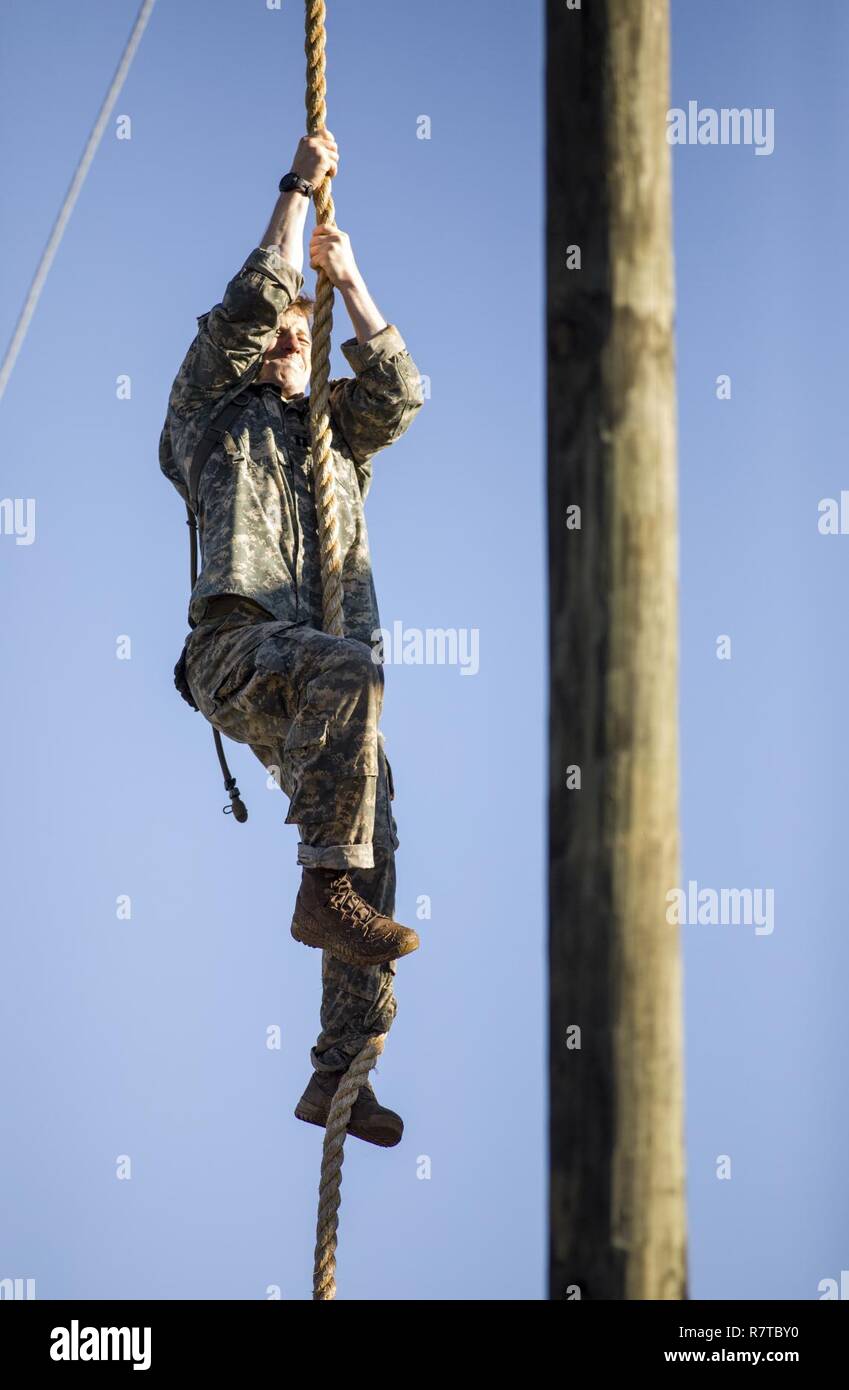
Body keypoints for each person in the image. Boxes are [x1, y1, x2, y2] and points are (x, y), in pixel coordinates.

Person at [159, 130, 424, 1147]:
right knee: (351, 676)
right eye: (279, 338)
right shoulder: (206, 417)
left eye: (298, 341)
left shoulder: (337, 440)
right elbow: (241, 313)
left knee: (381, 826)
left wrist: (349, 282)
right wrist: (293, 197)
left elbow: (399, 393)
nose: (285, 348)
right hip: (240, 654)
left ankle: (341, 1071)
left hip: (318, 686)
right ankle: (322, 889)